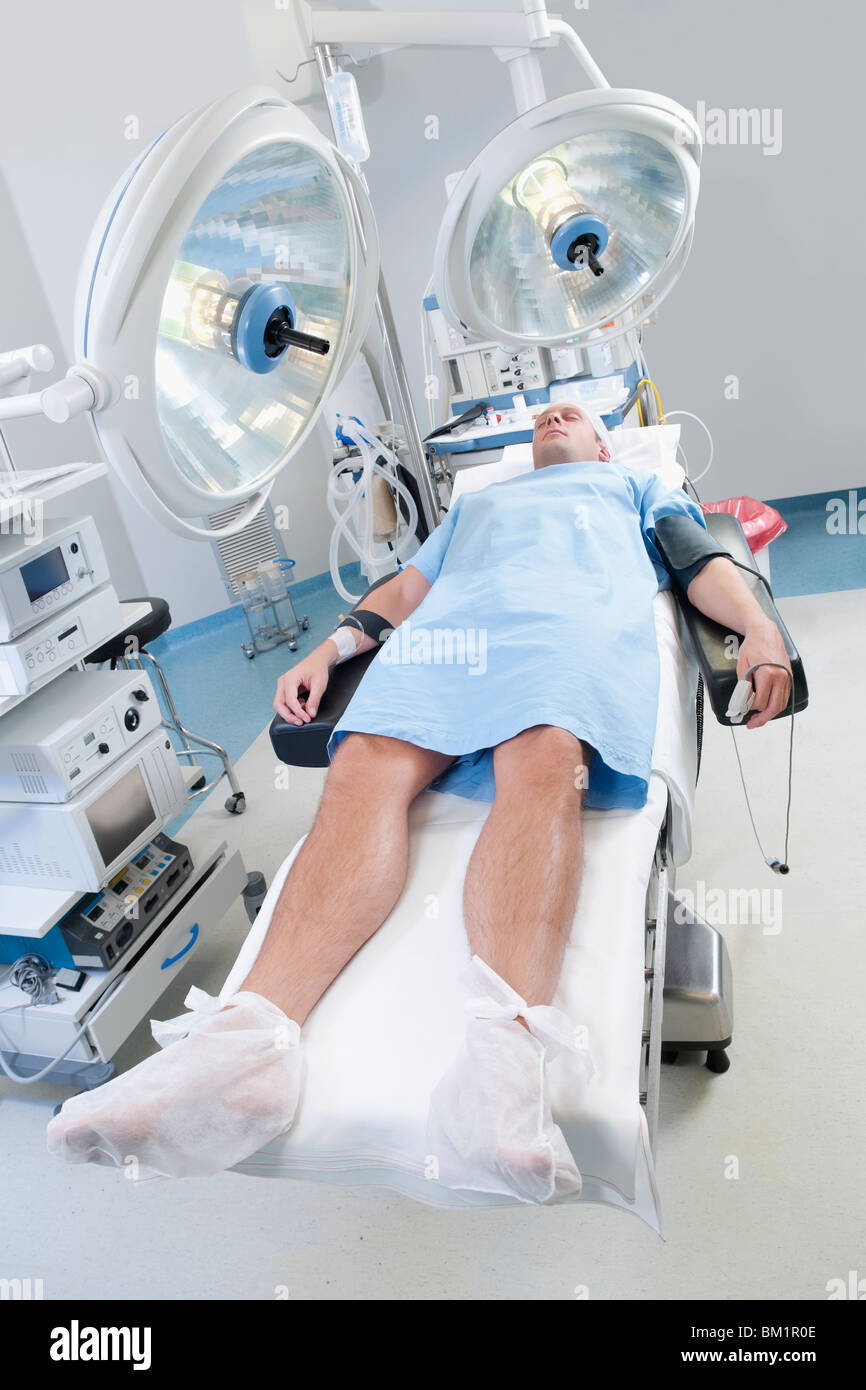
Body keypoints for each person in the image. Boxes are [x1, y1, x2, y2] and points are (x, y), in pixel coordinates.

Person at [47, 403, 792, 1202]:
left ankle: (503, 1067)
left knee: (543, 759)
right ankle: (246, 1049)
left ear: (605, 445)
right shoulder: (478, 502)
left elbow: (698, 563)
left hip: (565, 627)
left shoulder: (636, 485)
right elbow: (407, 588)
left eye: (572, 416)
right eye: (542, 417)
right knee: (361, 766)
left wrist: (759, 629)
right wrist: (329, 651)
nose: (554, 416)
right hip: (448, 639)